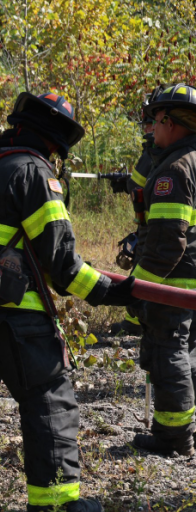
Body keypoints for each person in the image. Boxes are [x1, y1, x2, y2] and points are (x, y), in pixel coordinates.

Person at [0, 91, 138, 512]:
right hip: (16, 317)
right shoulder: (35, 175)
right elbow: (63, 266)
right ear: (57, 144)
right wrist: (112, 292)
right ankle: (58, 506)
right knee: (49, 400)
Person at [129, 83, 196, 456]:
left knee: (167, 354)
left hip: (175, 282)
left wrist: (139, 289)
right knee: (189, 354)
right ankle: (187, 428)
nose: (152, 129)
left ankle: (173, 437)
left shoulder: (174, 169)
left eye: (155, 121)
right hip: (193, 284)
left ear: (170, 122)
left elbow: (168, 243)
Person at [110, 99, 156, 337]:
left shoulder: (154, 149)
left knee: (141, 269)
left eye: (147, 124)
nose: (146, 129)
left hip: (154, 226)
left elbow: (136, 182)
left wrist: (124, 183)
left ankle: (133, 323)